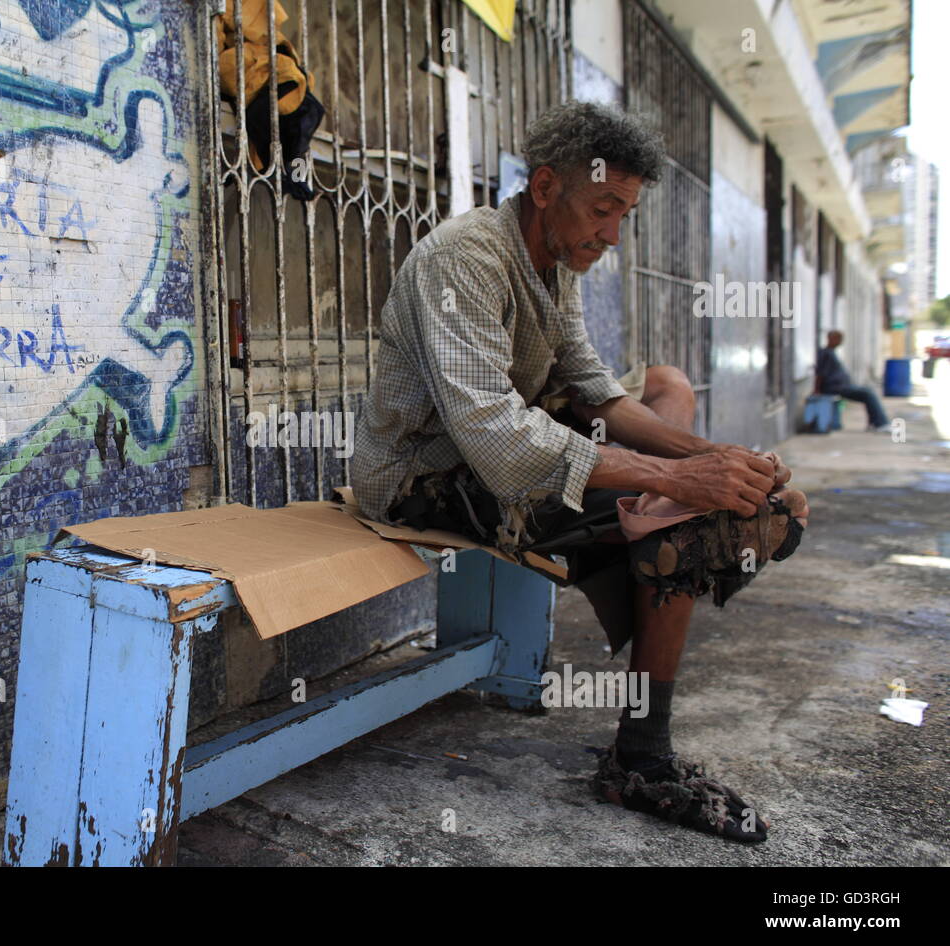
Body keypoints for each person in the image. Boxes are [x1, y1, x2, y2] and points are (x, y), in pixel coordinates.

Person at [351, 100, 809, 844]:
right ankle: (643, 760)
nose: (612, 234)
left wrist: (714, 460)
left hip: (493, 448)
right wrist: (678, 485)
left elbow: (594, 389)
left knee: (695, 432)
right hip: (422, 473)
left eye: (623, 214)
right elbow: (495, 437)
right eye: (603, 209)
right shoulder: (463, 259)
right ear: (543, 189)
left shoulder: (553, 263)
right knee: (694, 523)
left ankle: (658, 545)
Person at [816, 329, 892, 430]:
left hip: (841, 386)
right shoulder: (826, 354)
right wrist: (816, 390)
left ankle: (876, 422)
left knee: (868, 391)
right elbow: (820, 374)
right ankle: (881, 423)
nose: (840, 342)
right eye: (838, 339)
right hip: (836, 387)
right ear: (831, 339)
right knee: (868, 394)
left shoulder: (831, 352)